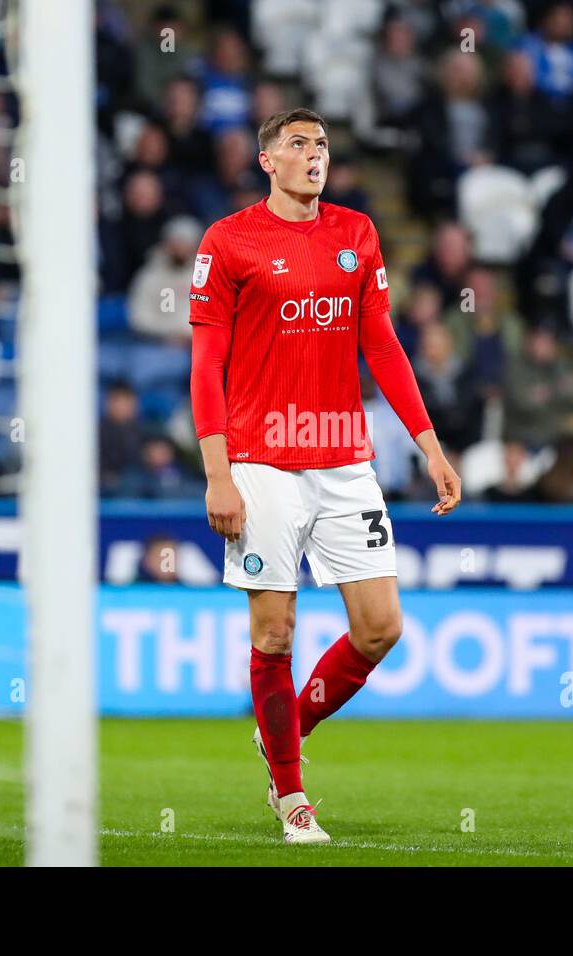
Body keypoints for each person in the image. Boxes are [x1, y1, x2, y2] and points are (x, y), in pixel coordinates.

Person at [188, 108, 461, 845]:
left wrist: (429, 445)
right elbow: (206, 366)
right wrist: (218, 473)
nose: (316, 154)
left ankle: (285, 731)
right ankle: (292, 794)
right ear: (267, 161)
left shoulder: (357, 234)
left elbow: (382, 342)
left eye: (323, 144)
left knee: (380, 627)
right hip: (261, 459)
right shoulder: (228, 242)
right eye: (299, 144)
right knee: (274, 634)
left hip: (344, 459)